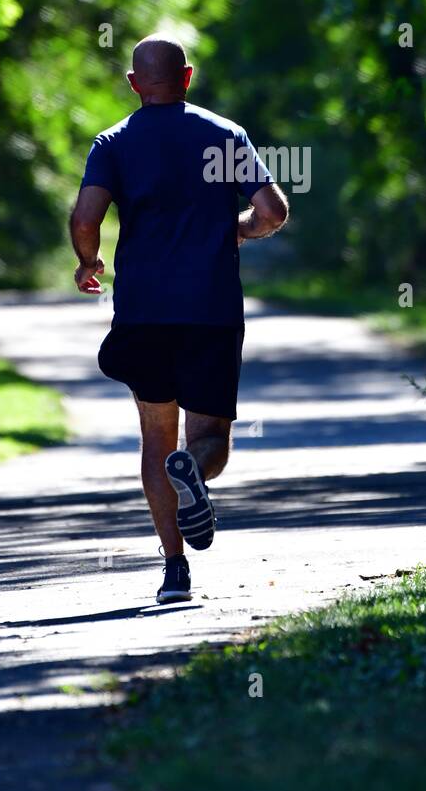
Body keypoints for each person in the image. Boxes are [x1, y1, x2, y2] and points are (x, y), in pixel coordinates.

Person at [69, 34, 288, 602]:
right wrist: (239, 229)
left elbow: (86, 215)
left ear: (135, 83)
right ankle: (192, 468)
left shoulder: (112, 142)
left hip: (143, 311)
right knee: (208, 437)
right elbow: (272, 210)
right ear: (187, 77)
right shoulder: (223, 135)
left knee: (154, 437)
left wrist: (88, 260)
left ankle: (174, 570)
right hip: (211, 308)